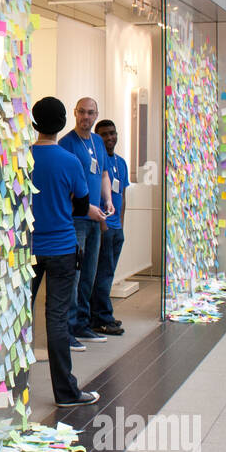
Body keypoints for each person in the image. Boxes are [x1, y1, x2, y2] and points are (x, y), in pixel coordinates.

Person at [30, 96, 102, 406]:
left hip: (27, 250)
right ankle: (66, 392)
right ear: (62, 125)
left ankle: (7, 386)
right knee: (56, 320)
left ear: (35, 124)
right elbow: (83, 206)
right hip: (61, 247)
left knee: (19, 316)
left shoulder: (23, 159)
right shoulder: (70, 161)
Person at [59, 98, 114, 347]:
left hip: (95, 219)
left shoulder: (98, 142)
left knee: (89, 274)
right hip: (78, 219)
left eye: (91, 113)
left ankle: (82, 323)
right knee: (75, 275)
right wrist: (86, 208)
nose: (86, 117)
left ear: (96, 115)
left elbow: (103, 173)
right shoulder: (67, 144)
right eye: (82, 112)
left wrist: (107, 199)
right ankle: (69, 327)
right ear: (74, 113)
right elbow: (65, 185)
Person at [91, 119, 128, 336]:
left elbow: (122, 194)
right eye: (104, 134)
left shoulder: (121, 163)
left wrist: (121, 226)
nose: (110, 138)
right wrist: (104, 224)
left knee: (109, 273)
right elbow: (96, 195)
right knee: (102, 275)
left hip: (116, 229)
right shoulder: (97, 162)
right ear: (97, 137)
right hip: (103, 228)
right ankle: (101, 318)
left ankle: (104, 314)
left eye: (112, 133)